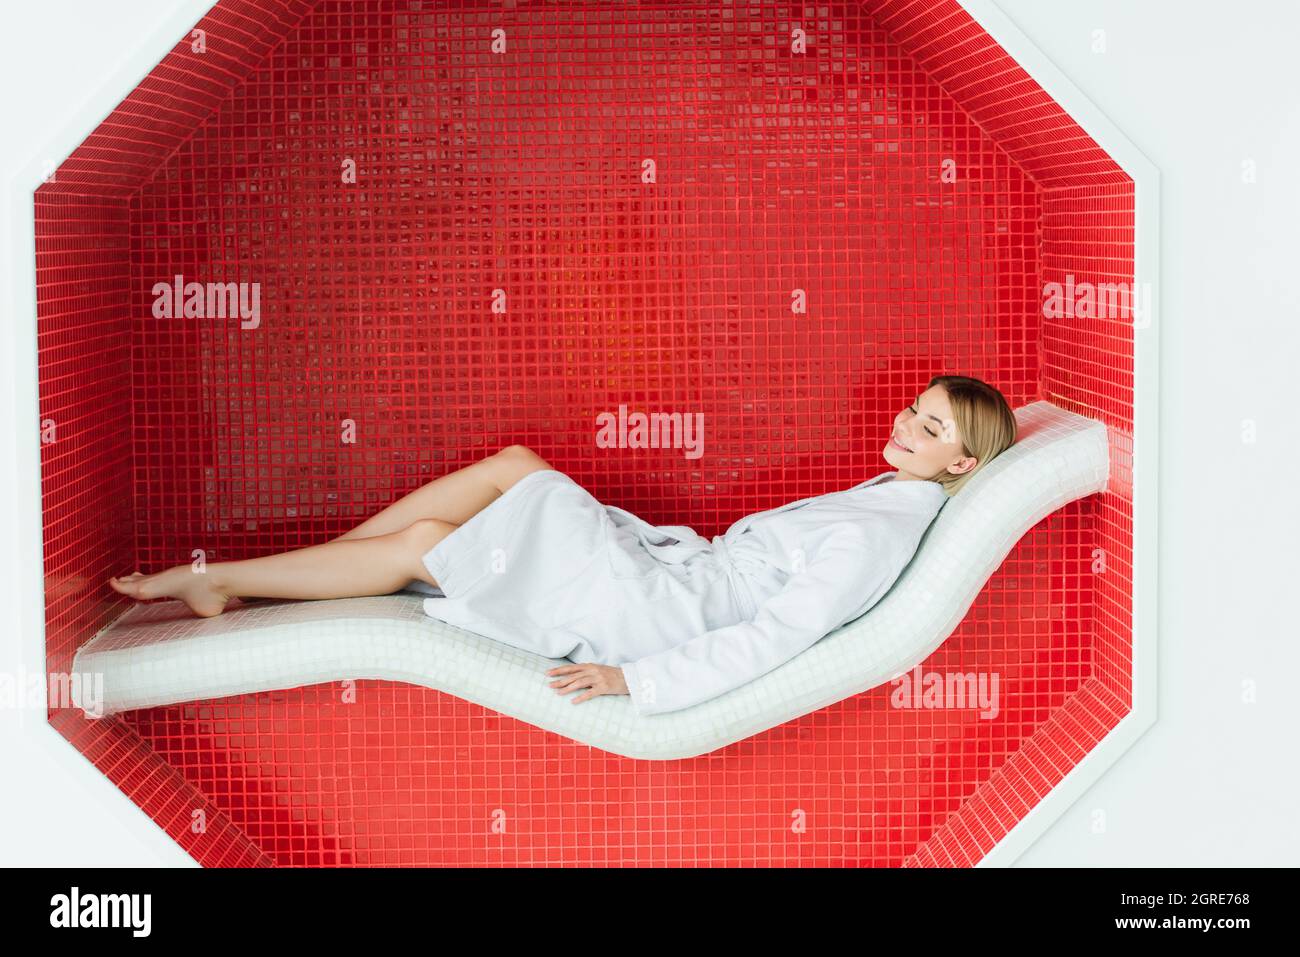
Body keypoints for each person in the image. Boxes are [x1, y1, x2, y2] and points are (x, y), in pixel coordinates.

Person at [109, 374, 1016, 715]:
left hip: (657, 617)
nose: (904, 422)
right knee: (499, 479)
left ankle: (229, 581)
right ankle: (259, 578)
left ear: (961, 460)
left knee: (440, 531)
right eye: (913, 407)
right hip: (670, 579)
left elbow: (781, 636)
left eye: (928, 425)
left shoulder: (877, 533)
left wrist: (640, 681)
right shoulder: (892, 499)